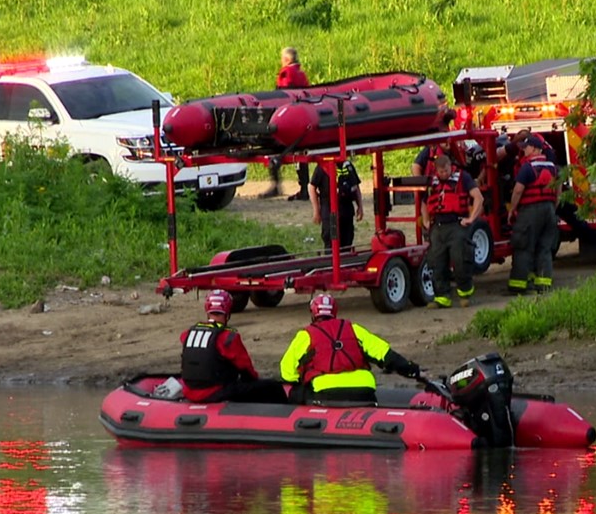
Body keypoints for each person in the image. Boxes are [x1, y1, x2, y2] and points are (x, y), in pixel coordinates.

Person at [279, 293, 422, 404]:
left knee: (293, 392)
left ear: (313, 314)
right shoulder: (354, 329)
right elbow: (385, 354)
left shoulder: (306, 335)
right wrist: (411, 369)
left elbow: (287, 370)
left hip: (325, 392)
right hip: (364, 391)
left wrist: (301, 382)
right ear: (334, 312)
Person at [180, 289, 289, 404]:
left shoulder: (187, 334)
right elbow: (247, 370)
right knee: (273, 387)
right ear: (227, 312)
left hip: (190, 391)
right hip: (216, 392)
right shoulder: (228, 337)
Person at [424, 155, 484, 308]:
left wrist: (471, 219)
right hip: (437, 227)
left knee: (460, 260)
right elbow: (424, 202)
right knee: (436, 262)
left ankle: (465, 294)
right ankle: (442, 297)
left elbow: (478, 197)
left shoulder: (463, 178)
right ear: (436, 170)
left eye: (446, 170)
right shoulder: (432, 181)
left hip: (457, 225)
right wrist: (425, 220)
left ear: (451, 167)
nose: (444, 174)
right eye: (441, 171)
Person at [506, 135, 560, 295]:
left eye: (526, 147)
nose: (523, 150)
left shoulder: (528, 168)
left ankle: (518, 285)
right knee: (544, 248)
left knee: (523, 246)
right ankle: (543, 284)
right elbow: (558, 191)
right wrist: (552, 208)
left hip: (530, 211)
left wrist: (512, 209)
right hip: (549, 210)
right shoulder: (553, 167)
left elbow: (518, 190)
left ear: (536, 149)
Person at [266, 47, 311, 201]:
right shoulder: (302, 74)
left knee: (273, 148)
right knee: (302, 152)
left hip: (287, 116)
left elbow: (281, 95)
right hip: (301, 117)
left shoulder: (286, 73)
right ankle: (304, 188)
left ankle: (276, 185)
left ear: (286, 60)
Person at [309, 158, 364, 250]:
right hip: (330, 213)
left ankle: (346, 261)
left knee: (347, 242)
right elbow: (311, 187)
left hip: (346, 211)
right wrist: (316, 211)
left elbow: (356, 187)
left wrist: (360, 207)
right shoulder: (323, 166)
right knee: (331, 243)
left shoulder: (347, 166)